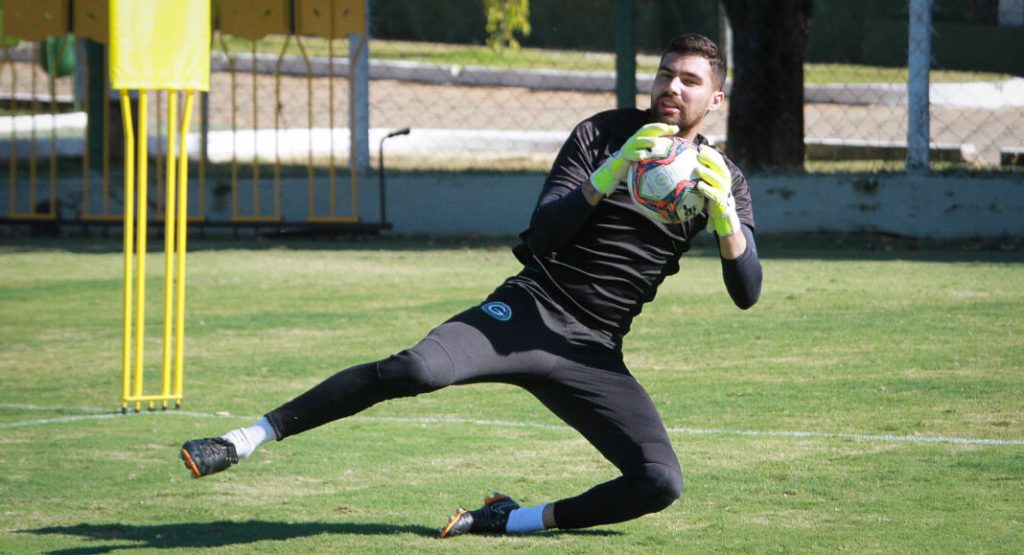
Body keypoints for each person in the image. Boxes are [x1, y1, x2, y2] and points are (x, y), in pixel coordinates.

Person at [180, 32, 762, 538]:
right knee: (416, 370)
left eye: (689, 80)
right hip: (528, 312)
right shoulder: (603, 135)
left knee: (659, 482)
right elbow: (541, 238)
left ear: (714, 99)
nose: (672, 87)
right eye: (666, 73)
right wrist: (609, 174)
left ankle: (509, 519)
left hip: (592, 351)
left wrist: (726, 223)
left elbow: (747, 291)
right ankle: (244, 439)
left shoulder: (721, 179)